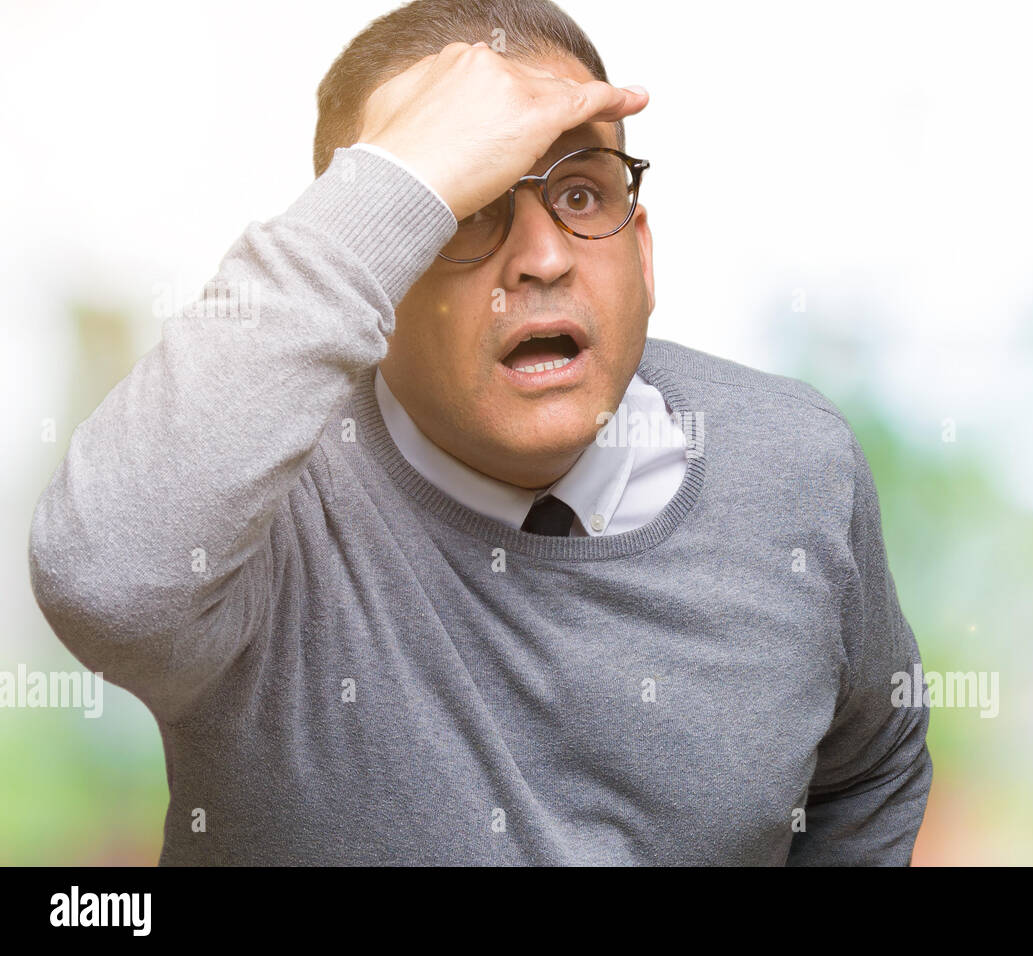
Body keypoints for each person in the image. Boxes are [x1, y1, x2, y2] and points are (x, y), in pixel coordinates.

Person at [28, 0, 932, 865]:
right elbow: (106, 581)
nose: (541, 258)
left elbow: (872, 762)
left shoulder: (796, 465)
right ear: (379, 260)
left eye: (580, 194)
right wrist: (395, 183)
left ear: (642, 250)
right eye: (464, 205)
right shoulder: (260, 504)